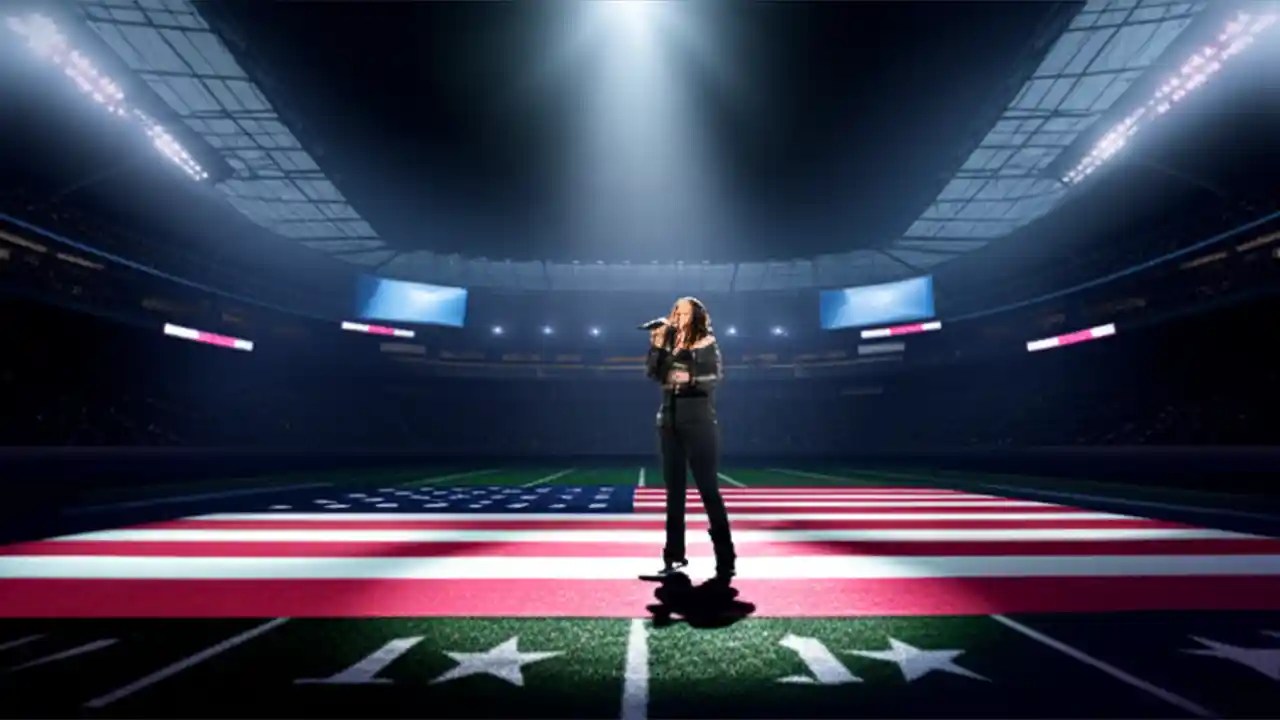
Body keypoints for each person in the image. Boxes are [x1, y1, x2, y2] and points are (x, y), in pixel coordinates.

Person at [644, 296, 736, 582]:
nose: (678, 316)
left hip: (699, 424)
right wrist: (657, 344)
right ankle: (673, 556)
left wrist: (688, 378)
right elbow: (653, 373)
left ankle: (725, 557)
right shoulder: (668, 343)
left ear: (696, 316)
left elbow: (714, 376)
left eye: (683, 312)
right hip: (669, 424)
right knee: (674, 494)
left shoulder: (706, 342)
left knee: (708, 490)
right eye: (675, 312)